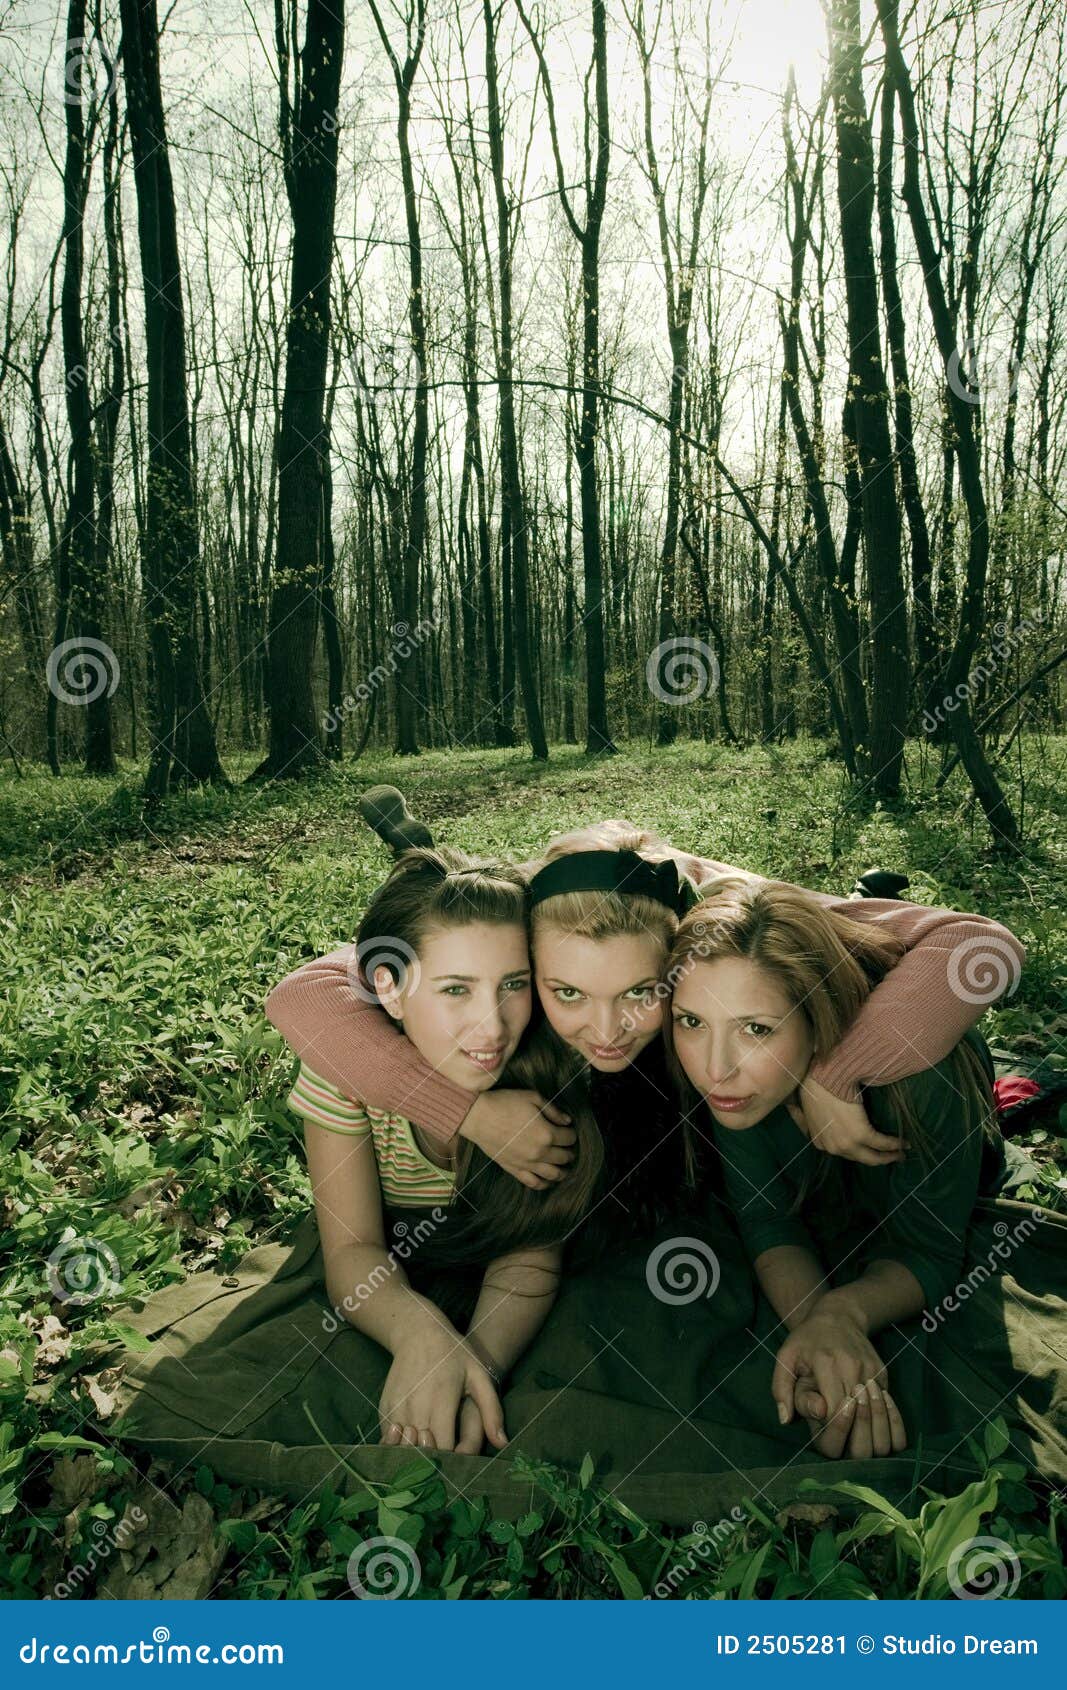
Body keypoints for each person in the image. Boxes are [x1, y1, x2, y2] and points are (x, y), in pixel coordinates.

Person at [265, 793, 1026, 1189]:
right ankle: (420, 848)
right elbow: (301, 994)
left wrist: (841, 1071)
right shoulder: (524, 907)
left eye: (641, 991)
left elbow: (980, 944)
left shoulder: (722, 911)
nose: (605, 1031)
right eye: (563, 992)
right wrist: (462, 1112)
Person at [660, 877, 1040, 1461]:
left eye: (757, 1029)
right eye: (691, 1022)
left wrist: (848, 1310)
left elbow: (931, 1251)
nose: (715, 1068)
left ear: (818, 1015)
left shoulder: (920, 1080)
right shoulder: (736, 1089)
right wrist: (823, 1337)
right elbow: (766, 1219)